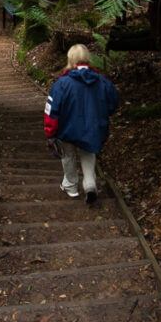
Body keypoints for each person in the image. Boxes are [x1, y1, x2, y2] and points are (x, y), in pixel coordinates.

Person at [43, 44, 119, 204]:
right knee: (88, 153)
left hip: (67, 129)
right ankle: (90, 184)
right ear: (88, 59)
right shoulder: (102, 82)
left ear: (70, 59)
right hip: (92, 128)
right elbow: (113, 101)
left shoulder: (62, 84)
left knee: (68, 155)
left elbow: (51, 110)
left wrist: (50, 133)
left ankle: (70, 186)